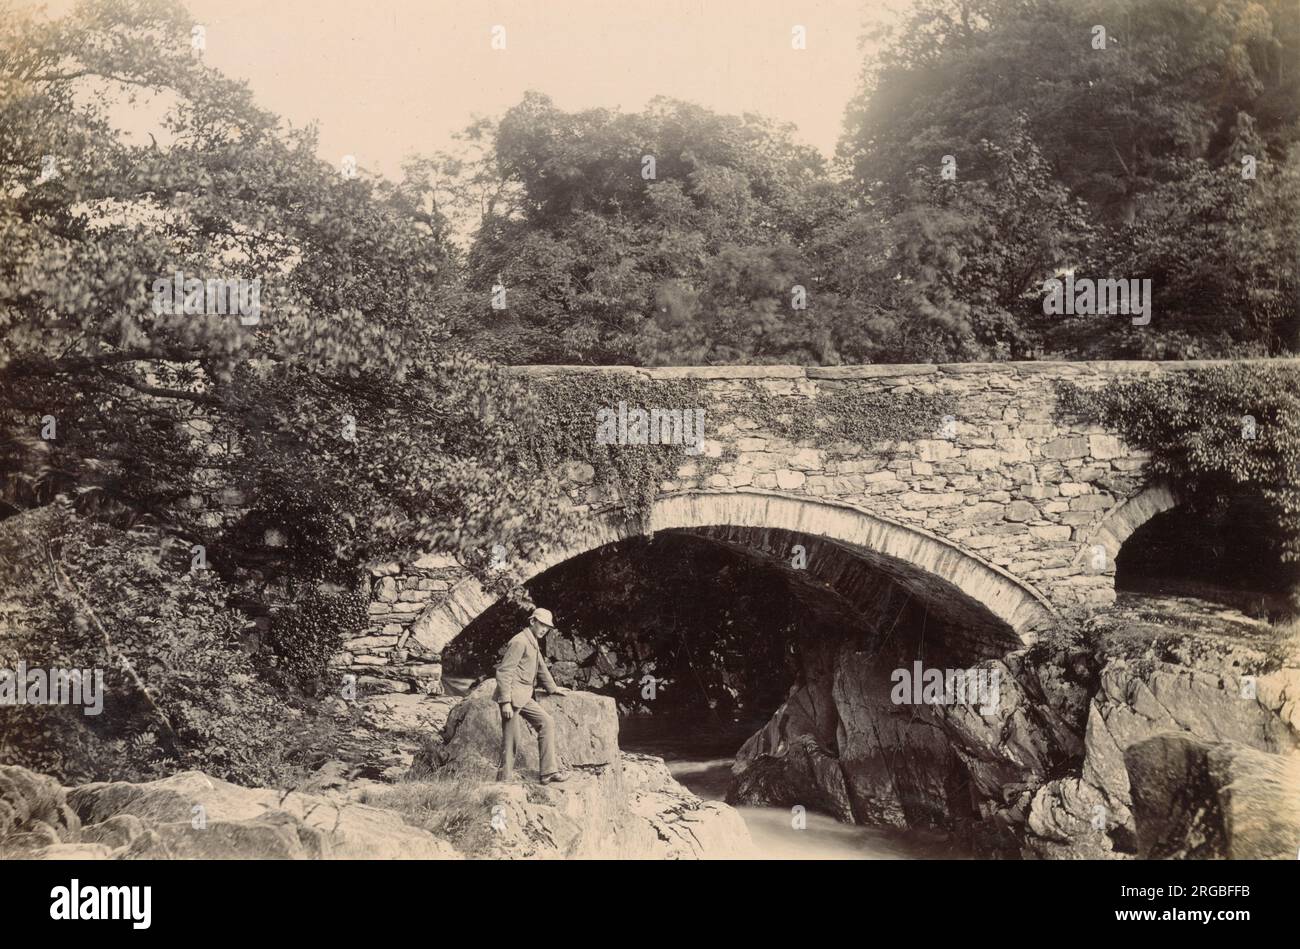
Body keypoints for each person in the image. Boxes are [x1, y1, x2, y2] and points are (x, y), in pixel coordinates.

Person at [494, 607, 571, 784]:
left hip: (524, 695)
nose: (544, 629)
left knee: (547, 722)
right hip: (512, 698)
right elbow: (504, 672)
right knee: (511, 741)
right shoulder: (519, 641)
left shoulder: (533, 640)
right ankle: (503, 782)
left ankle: (548, 773)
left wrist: (553, 688)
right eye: (542, 624)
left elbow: (541, 667)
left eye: (547, 626)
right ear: (532, 621)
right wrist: (505, 701)